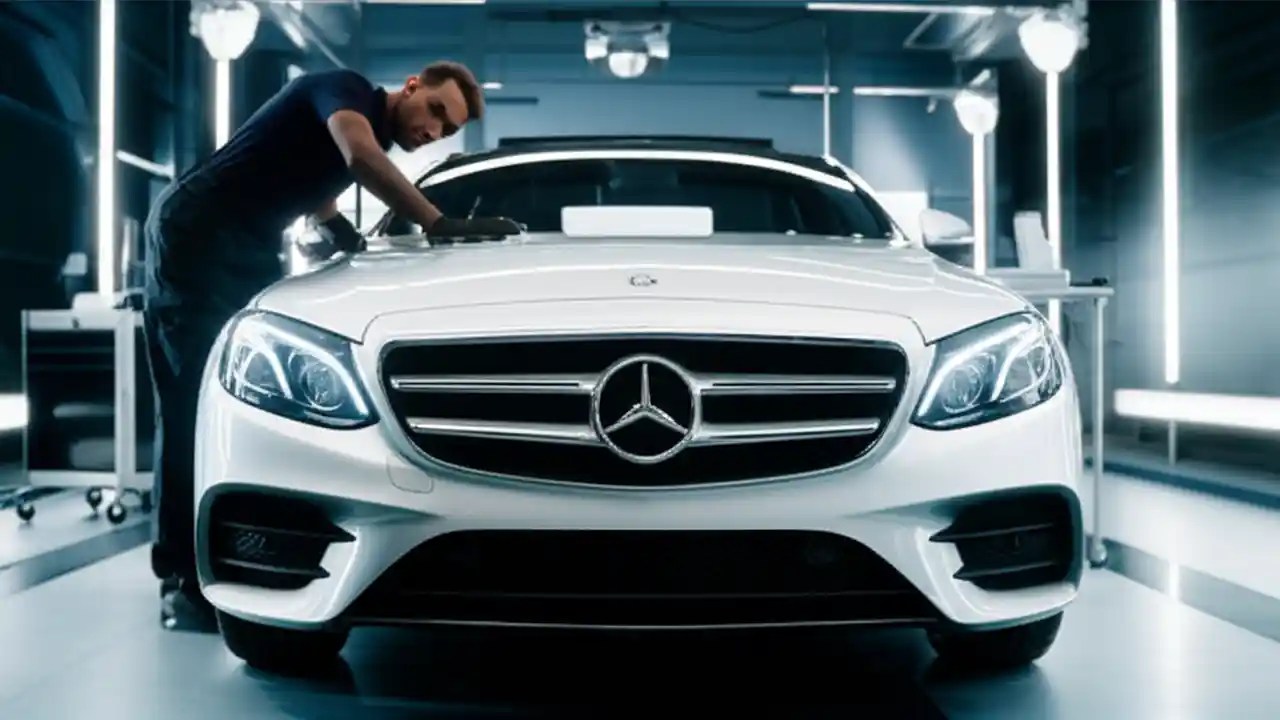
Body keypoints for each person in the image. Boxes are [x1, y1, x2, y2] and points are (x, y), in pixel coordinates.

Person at [142, 60, 505, 631]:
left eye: (448, 130)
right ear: (411, 86)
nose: (434, 131)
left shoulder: (361, 124)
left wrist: (342, 235)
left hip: (247, 243)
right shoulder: (344, 89)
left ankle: (239, 558)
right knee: (195, 403)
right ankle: (183, 582)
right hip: (198, 232)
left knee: (231, 399)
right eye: (435, 111)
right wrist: (436, 223)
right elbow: (358, 156)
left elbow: (318, 180)